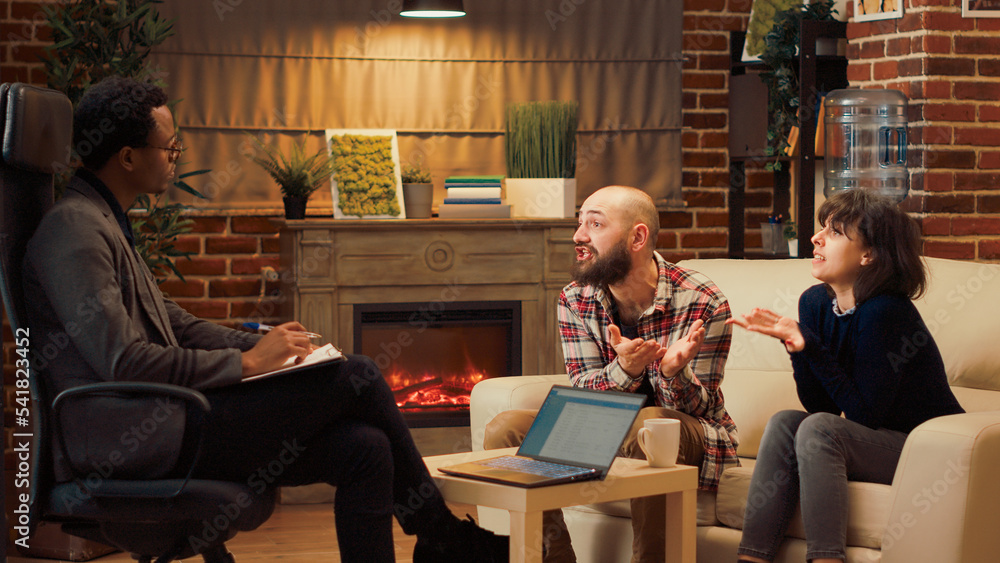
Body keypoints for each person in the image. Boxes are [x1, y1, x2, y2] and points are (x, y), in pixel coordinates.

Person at [22, 76, 508, 563]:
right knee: (357, 374)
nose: (176, 157)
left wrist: (268, 347)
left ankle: (439, 539)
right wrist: (249, 365)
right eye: (169, 147)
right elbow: (125, 361)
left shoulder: (105, 220)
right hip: (136, 437)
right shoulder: (74, 229)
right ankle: (442, 536)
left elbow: (176, 324)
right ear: (128, 157)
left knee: (365, 447)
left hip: (168, 418)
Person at [484, 185, 740, 563]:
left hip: (688, 433)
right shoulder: (576, 298)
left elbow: (698, 410)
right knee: (505, 429)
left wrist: (672, 374)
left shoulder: (702, 300)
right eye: (579, 223)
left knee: (649, 425)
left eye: (595, 224)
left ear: (637, 237)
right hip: (605, 425)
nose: (579, 236)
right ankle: (554, 558)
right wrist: (626, 370)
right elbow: (584, 390)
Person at [729, 190, 964, 563]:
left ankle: (826, 559)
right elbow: (820, 406)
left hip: (928, 450)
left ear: (868, 254)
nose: (815, 238)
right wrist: (798, 347)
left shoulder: (886, 312)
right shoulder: (815, 302)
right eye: (821, 228)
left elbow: (863, 416)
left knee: (820, 430)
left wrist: (811, 346)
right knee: (787, 422)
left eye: (835, 232)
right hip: (876, 440)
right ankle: (752, 558)